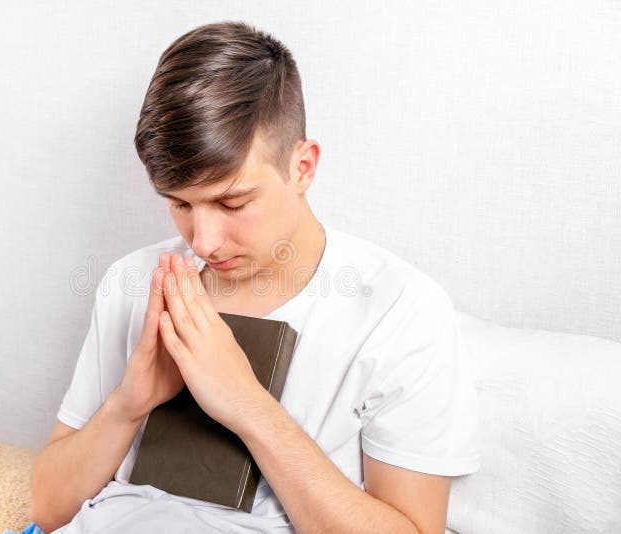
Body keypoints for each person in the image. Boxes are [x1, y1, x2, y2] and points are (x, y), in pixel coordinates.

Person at [29, 21, 480, 534]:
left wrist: (245, 402)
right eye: (179, 204)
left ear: (302, 167)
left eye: (232, 202)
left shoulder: (401, 311)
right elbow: (47, 509)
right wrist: (130, 404)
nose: (202, 241)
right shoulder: (133, 281)